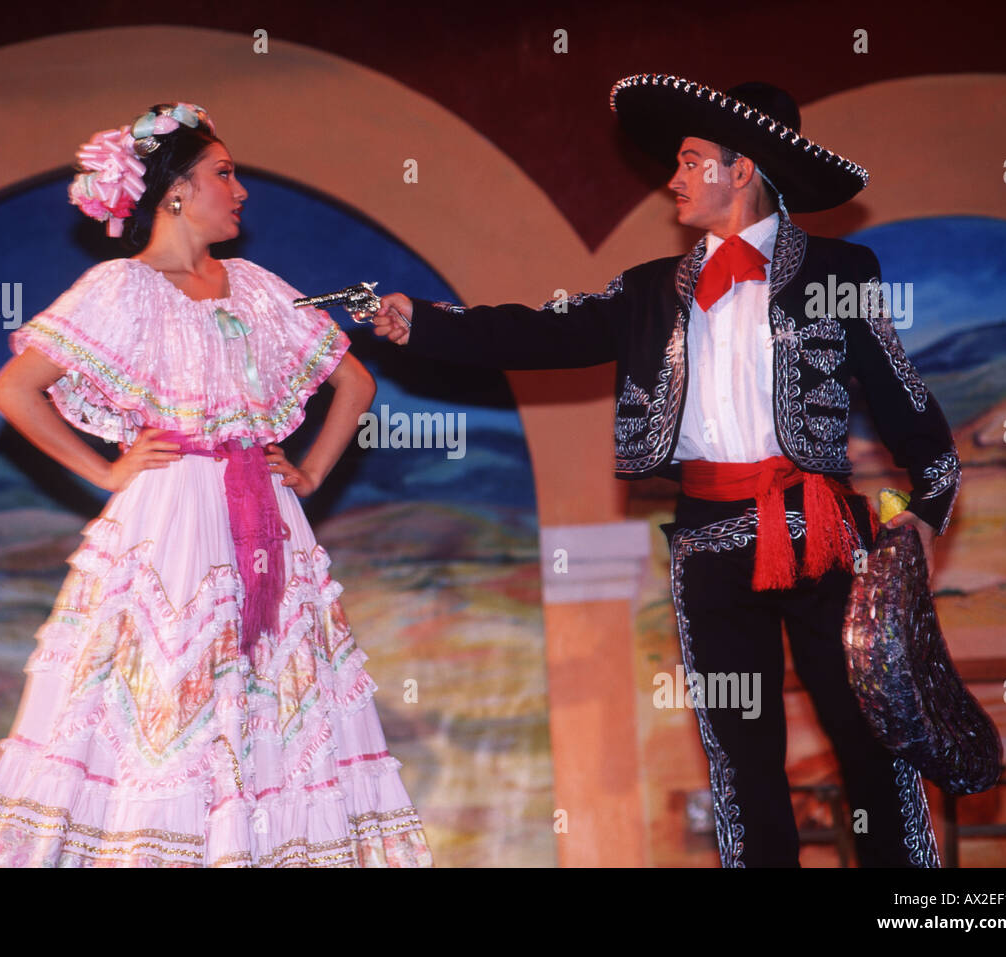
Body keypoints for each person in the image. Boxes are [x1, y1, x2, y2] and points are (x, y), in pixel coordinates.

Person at [371, 76, 960, 867]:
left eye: (689, 161)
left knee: (868, 736)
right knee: (742, 757)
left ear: (741, 169)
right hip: (709, 541)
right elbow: (545, 335)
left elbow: (899, 393)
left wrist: (926, 501)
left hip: (820, 532)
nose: (672, 179)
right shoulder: (652, 290)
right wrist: (426, 326)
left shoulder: (836, 269)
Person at [0, 102, 433, 868]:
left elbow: (356, 382)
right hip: (170, 514)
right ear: (173, 190)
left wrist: (306, 473)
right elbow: (13, 389)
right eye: (224, 174)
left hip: (262, 517)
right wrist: (106, 469)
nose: (240, 191)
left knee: (273, 695)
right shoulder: (121, 287)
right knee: (164, 696)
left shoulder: (256, 284)